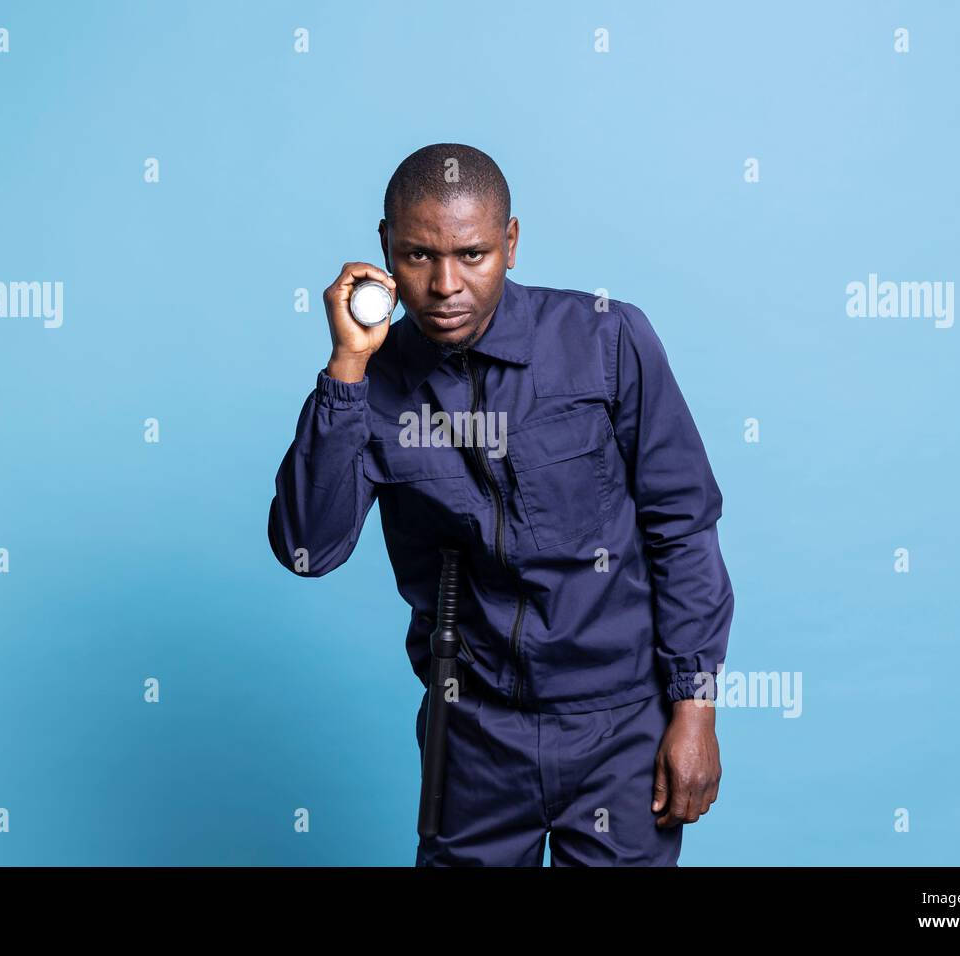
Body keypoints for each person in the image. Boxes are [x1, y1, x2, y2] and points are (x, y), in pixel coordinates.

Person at [268, 143, 735, 866]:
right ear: (385, 249)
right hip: (473, 733)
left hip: (620, 725)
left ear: (511, 244)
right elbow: (309, 548)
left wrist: (694, 708)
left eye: (472, 254)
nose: (445, 284)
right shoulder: (375, 379)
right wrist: (347, 370)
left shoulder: (607, 340)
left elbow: (684, 527)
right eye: (419, 256)